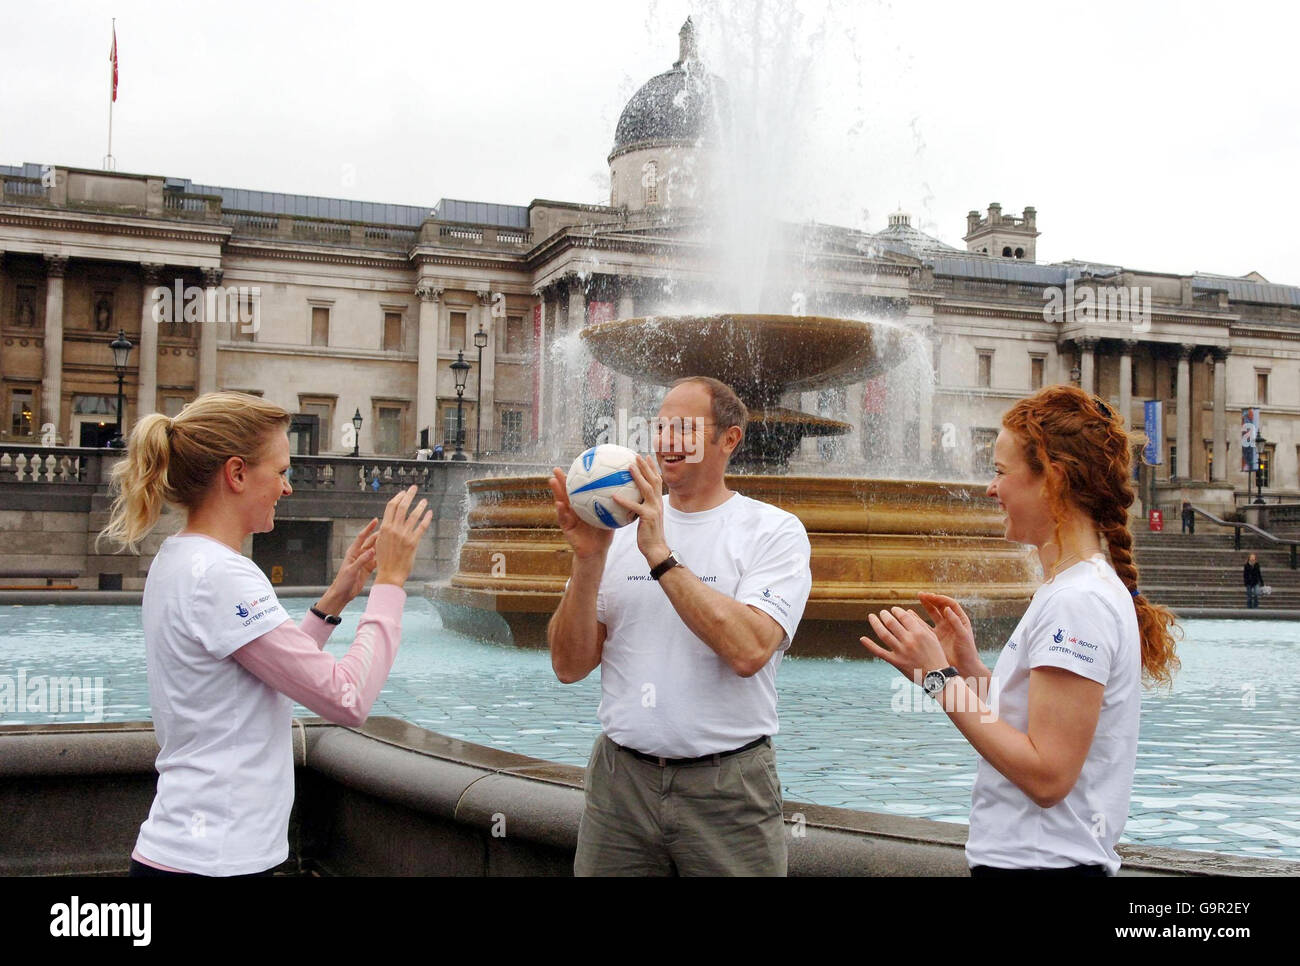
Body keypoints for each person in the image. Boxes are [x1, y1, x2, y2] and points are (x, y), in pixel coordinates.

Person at [98, 391, 432, 877]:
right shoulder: (222, 575)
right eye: (280, 472)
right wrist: (392, 583)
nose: (287, 488)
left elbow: (265, 671)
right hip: (217, 861)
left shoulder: (178, 558)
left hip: (186, 853)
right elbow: (347, 698)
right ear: (236, 474)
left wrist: (337, 598)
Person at [861, 385, 1179, 876]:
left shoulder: (1077, 602)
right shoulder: (1076, 587)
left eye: (1000, 472)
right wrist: (969, 670)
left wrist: (939, 680)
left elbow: (1048, 776)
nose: (991, 489)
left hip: (1043, 866)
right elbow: (1040, 726)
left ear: (1051, 478)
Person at [547, 376, 812, 876]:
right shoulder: (615, 530)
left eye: (685, 428)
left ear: (729, 440)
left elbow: (748, 650)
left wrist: (660, 556)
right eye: (661, 426)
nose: (667, 440)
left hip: (728, 790)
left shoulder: (773, 531)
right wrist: (587, 560)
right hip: (619, 785)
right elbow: (568, 665)